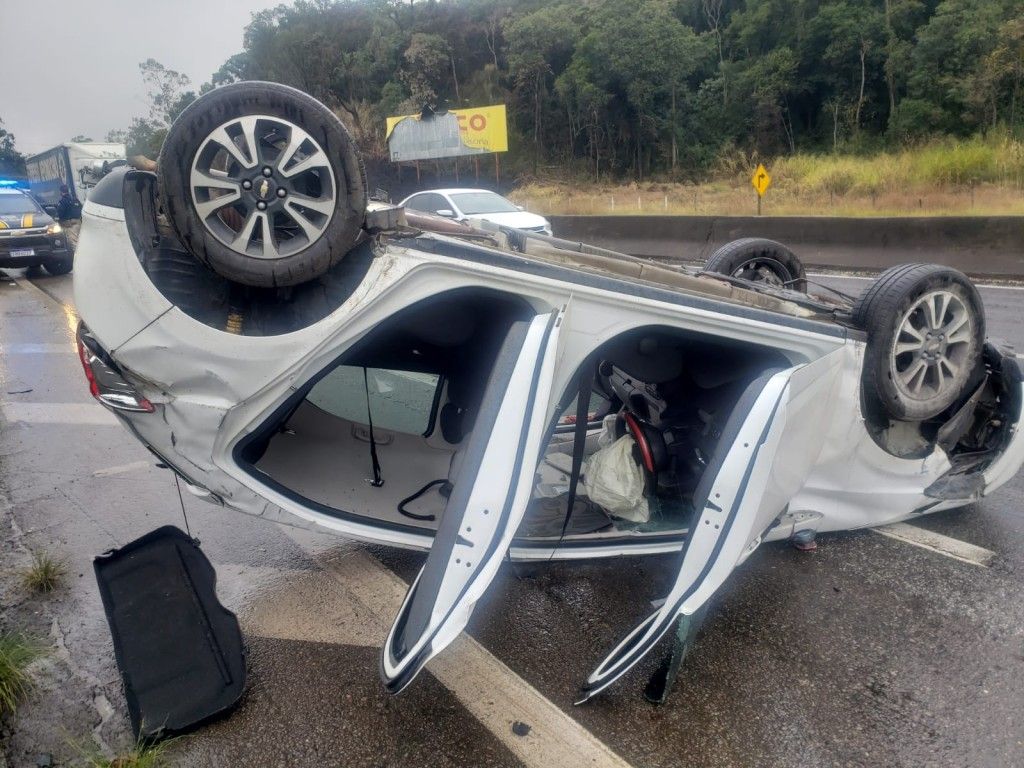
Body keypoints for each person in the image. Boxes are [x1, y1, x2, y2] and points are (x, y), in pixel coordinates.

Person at [54, 184, 82, 251]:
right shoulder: (75, 200)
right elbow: (81, 208)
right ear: (68, 190)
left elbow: (60, 213)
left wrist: (56, 218)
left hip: (69, 224)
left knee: (73, 243)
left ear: (61, 192)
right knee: (78, 240)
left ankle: (77, 259)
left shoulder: (63, 201)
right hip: (78, 222)